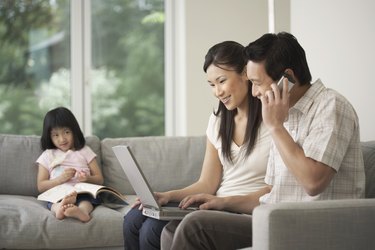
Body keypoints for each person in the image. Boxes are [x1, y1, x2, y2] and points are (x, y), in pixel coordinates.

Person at [160, 32, 366, 249]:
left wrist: (275, 127)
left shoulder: (331, 106)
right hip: (274, 219)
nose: (255, 92)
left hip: (311, 226)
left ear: (287, 78)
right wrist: (222, 202)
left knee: (196, 227)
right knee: (172, 229)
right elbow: (272, 194)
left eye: (257, 83)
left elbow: (313, 183)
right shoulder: (286, 114)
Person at [123, 41, 271, 250]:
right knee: (134, 218)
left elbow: (277, 190)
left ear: (245, 73)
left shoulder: (272, 121)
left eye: (222, 81)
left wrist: (224, 202)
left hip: (241, 210)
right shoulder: (219, 120)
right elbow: (207, 183)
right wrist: (167, 196)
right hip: (217, 206)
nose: (217, 92)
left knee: (152, 229)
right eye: (211, 85)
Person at [36, 107, 104, 222]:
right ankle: (59, 209)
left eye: (66, 132)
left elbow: (100, 179)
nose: (62, 139)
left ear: (74, 131)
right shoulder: (48, 155)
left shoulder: (84, 150)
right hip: (58, 193)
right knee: (53, 202)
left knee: (86, 200)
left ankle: (82, 211)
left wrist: (86, 178)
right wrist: (60, 179)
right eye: (55, 135)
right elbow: (40, 186)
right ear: (49, 136)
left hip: (81, 191)